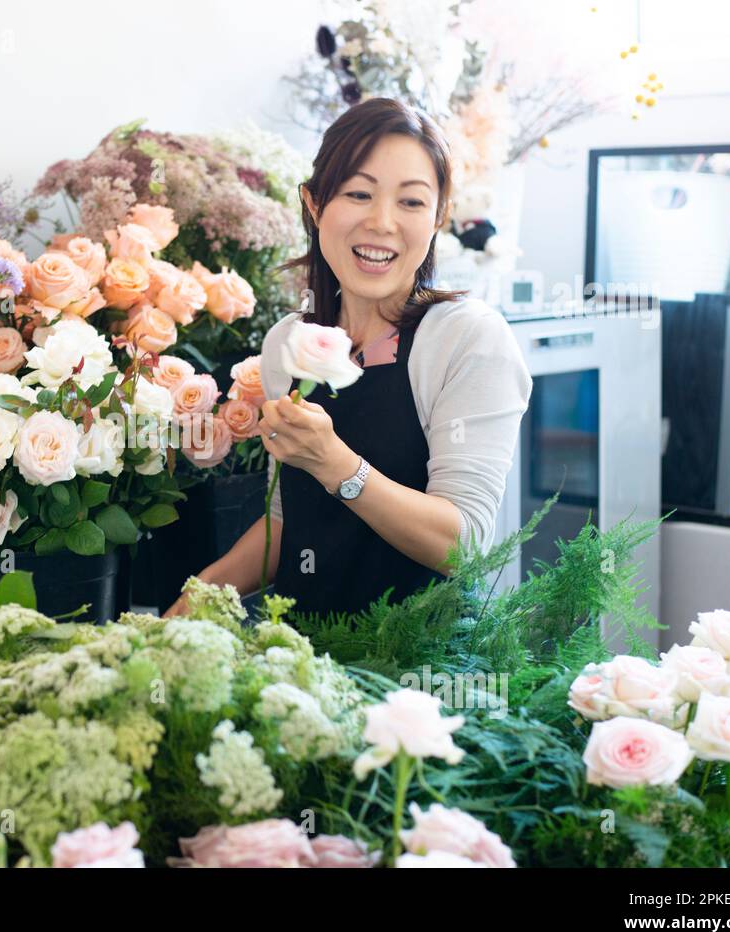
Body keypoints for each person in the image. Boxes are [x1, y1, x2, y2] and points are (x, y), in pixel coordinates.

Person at [163, 97, 532, 619]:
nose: (382, 223)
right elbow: (288, 520)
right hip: (307, 658)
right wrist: (196, 598)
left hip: (426, 668)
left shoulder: (466, 338)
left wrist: (337, 464)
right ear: (314, 205)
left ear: (439, 218)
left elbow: (465, 545)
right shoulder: (288, 344)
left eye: (410, 202)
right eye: (359, 194)